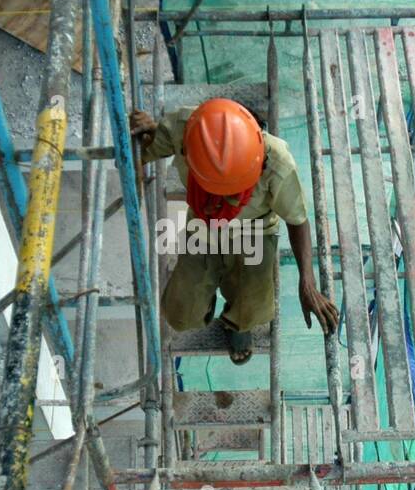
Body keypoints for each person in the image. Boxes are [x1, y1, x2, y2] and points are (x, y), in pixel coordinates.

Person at [130, 97, 338, 364]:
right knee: (179, 315)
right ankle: (205, 303)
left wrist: (307, 281)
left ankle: (237, 325)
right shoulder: (187, 129)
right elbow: (139, 152)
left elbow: (297, 221)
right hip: (203, 225)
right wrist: (143, 135)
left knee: (254, 309)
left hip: (255, 231)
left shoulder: (277, 163)